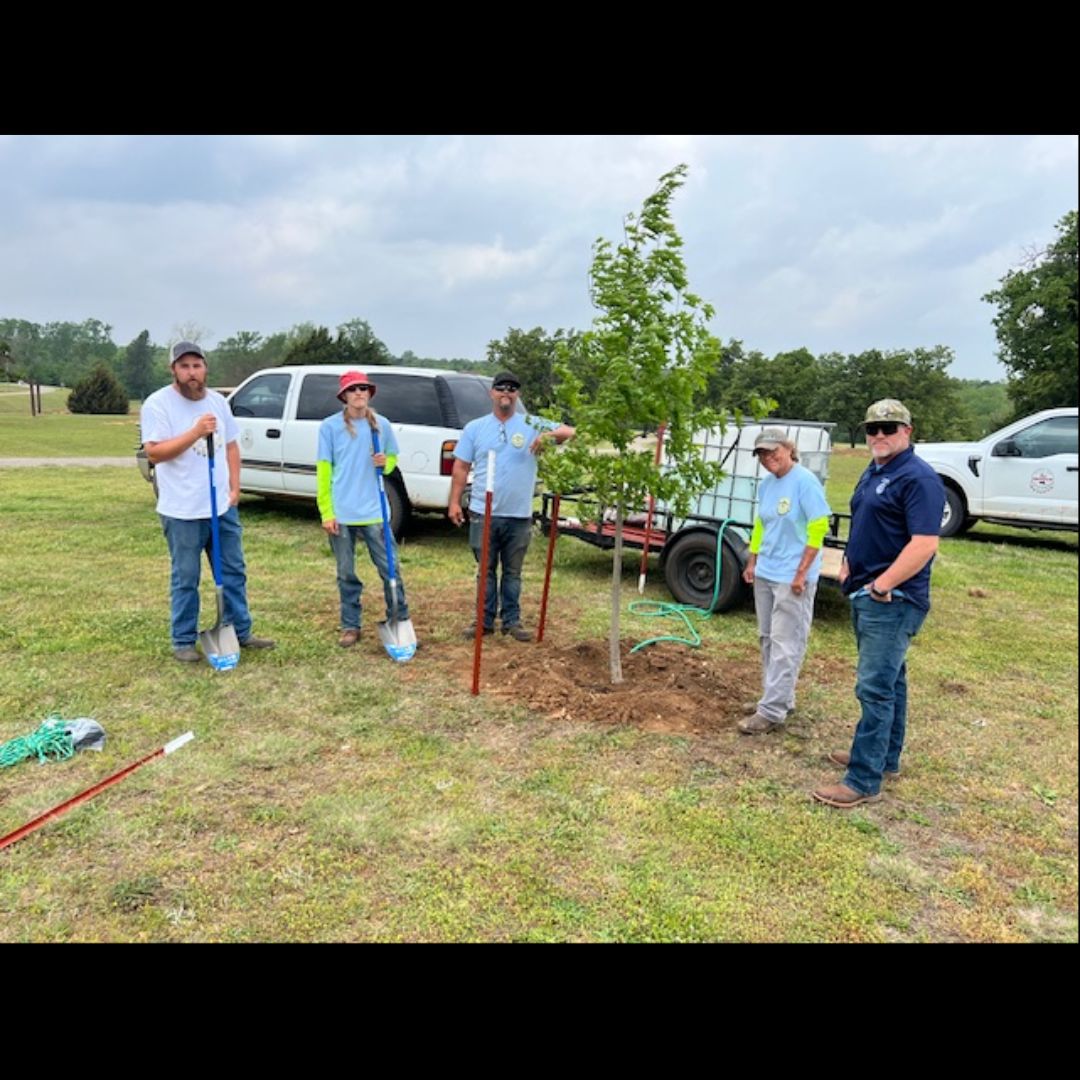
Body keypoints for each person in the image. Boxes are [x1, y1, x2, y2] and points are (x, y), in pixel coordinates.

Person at [812, 399, 944, 809]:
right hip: (866, 589)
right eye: (872, 429)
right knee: (892, 681)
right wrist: (852, 561)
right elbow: (870, 522)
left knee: (874, 688)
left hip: (892, 598)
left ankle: (863, 779)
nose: (880, 435)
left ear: (909, 430)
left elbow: (924, 544)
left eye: (889, 428)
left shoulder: (918, 478)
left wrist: (883, 585)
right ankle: (884, 758)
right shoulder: (876, 470)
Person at [140, 342, 275, 662]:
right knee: (186, 577)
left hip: (220, 507)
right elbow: (154, 453)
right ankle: (183, 640)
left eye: (196, 366)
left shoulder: (218, 402)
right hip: (182, 509)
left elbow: (230, 447)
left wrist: (235, 488)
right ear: (173, 369)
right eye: (184, 366)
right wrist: (195, 431)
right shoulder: (158, 404)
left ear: (205, 368)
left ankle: (239, 631)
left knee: (233, 571)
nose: (191, 373)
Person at [448, 371, 574, 641]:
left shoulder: (531, 423)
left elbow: (569, 431)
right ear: (492, 393)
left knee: (513, 573)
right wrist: (454, 502)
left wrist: (549, 437)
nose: (507, 393)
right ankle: (483, 622)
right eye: (501, 388)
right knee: (486, 570)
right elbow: (460, 467)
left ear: (517, 395)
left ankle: (511, 622)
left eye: (513, 389)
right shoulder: (475, 428)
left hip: (519, 515)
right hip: (484, 512)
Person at [738, 428, 832, 735]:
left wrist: (802, 572)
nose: (768, 458)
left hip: (793, 577)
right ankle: (778, 696)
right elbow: (761, 524)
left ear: (788, 449)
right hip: (767, 571)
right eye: (762, 454)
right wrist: (753, 560)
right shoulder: (766, 486)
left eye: (773, 451)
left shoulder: (805, 482)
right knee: (767, 637)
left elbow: (819, 527)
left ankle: (771, 711)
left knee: (786, 641)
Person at [317, 371, 410, 648]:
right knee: (346, 572)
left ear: (369, 393)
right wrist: (327, 511)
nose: (359, 393)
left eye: (363, 389)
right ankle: (350, 624)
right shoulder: (330, 427)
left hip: (375, 511)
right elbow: (324, 471)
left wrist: (386, 463)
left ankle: (399, 619)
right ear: (344, 396)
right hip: (342, 512)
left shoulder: (381, 425)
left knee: (390, 569)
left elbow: (392, 460)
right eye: (353, 389)